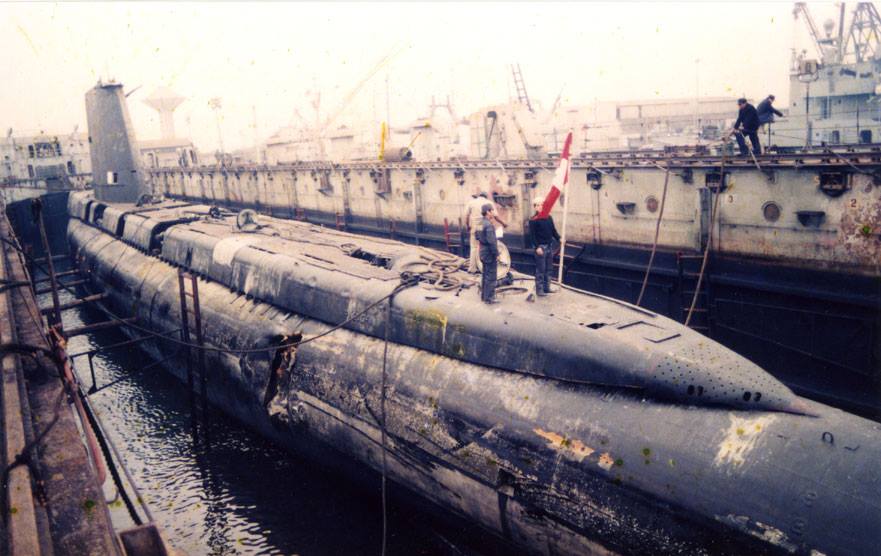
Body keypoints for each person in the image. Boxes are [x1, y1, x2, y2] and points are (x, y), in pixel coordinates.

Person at [465, 191, 507, 273]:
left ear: (479, 196)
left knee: (474, 247)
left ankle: (472, 268)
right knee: (486, 246)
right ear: (486, 196)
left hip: (475, 227)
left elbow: (466, 216)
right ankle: (482, 268)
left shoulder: (471, 202)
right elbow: (496, 216)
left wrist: (468, 226)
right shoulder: (488, 202)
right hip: (485, 228)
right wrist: (503, 223)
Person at [527, 197, 560, 296]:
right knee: (541, 269)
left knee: (549, 268)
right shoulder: (533, 220)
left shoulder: (549, 217)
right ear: (535, 207)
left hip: (549, 246)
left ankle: (547, 287)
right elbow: (532, 236)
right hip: (541, 248)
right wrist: (537, 247)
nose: (540, 207)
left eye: (541, 204)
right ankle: (539, 290)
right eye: (537, 205)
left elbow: (553, 231)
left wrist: (559, 238)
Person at [476, 203, 500, 304]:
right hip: (489, 253)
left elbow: (476, 236)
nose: (493, 212)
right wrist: (497, 254)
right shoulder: (489, 225)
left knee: (485, 274)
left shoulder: (480, 223)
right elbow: (492, 242)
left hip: (482, 251)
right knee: (491, 276)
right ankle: (490, 298)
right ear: (488, 212)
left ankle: (484, 296)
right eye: (492, 210)